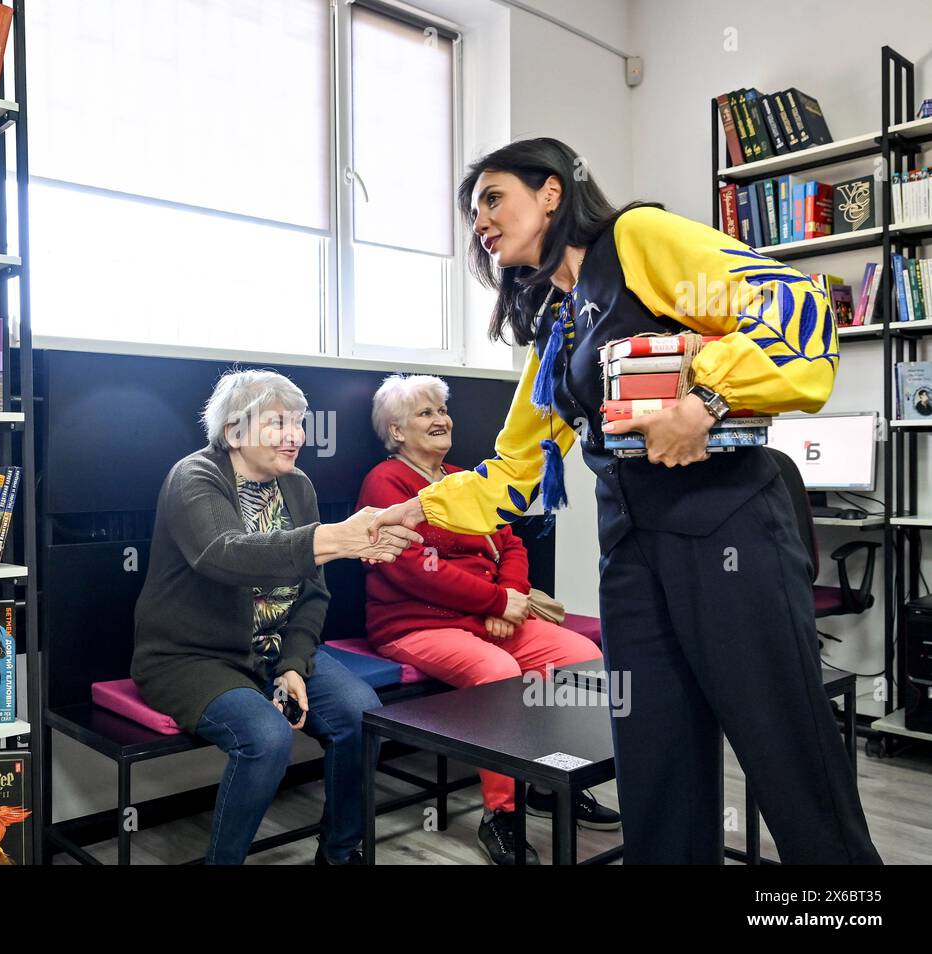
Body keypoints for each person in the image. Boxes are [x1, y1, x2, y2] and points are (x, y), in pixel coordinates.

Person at [370, 138, 882, 864]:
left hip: (729, 521)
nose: (479, 222)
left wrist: (703, 401)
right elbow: (515, 465)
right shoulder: (559, 323)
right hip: (633, 550)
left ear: (552, 192)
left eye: (492, 198)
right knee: (655, 761)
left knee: (786, 750)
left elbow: (794, 305)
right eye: (471, 212)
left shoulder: (636, 238)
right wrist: (412, 510)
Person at [131, 369, 422, 865]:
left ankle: (338, 851)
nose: (295, 436)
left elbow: (312, 593)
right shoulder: (194, 477)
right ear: (233, 433)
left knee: (362, 713)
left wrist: (292, 663)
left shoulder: (297, 486)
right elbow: (224, 554)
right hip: (190, 658)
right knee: (266, 737)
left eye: (298, 423)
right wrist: (335, 539)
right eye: (277, 423)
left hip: (275, 649)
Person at [358, 373, 615, 865]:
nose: (441, 419)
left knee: (582, 657)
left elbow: (512, 542)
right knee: (498, 675)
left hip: (490, 614)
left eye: (442, 410)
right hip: (417, 624)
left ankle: (547, 785)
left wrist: (511, 598)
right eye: (425, 413)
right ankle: (502, 814)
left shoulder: (465, 479)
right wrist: (494, 604)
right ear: (395, 432)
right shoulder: (384, 481)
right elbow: (410, 569)